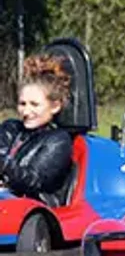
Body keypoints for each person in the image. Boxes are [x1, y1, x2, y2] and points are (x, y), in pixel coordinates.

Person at [0, 54, 74, 205]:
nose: (26, 112)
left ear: (55, 106)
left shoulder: (58, 140)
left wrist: (3, 165)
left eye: (34, 104)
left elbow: (34, 180)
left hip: (35, 209)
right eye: (22, 104)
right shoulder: (11, 128)